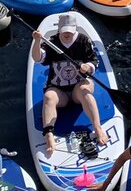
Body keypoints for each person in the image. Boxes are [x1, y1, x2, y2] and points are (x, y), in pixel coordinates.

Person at [31, 13, 108, 154]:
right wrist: (36, 41)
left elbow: (95, 61)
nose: (67, 34)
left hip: (78, 87)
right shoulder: (51, 42)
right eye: (64, 31)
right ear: (59, 29)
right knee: (49, 97)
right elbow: (37, 58)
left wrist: (88, 66)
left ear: (75, 29)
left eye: (70, 31)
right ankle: (48, 134)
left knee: (85, 89)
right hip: (59, 90)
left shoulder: (84, 41)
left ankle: (97, 128)